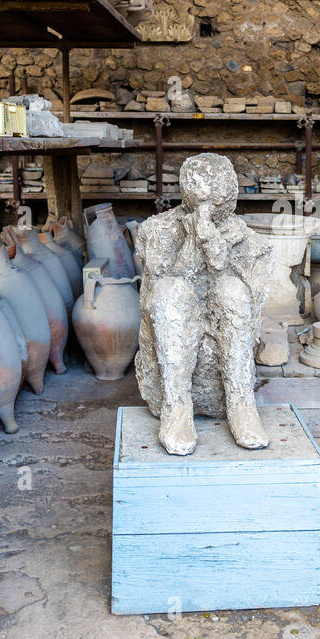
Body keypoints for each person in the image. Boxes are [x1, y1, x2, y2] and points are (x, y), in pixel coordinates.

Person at [134, 154, 274, 455]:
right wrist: (193, 244)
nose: (209, 207)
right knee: (170, 291)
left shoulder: (253, 243)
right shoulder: (156, 231)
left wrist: (218, 252)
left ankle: (241, 404)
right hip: (180, 313)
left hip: (220, 314)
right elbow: (153, 298)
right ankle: (177, 406)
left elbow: (252, 303)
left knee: (233, 292)